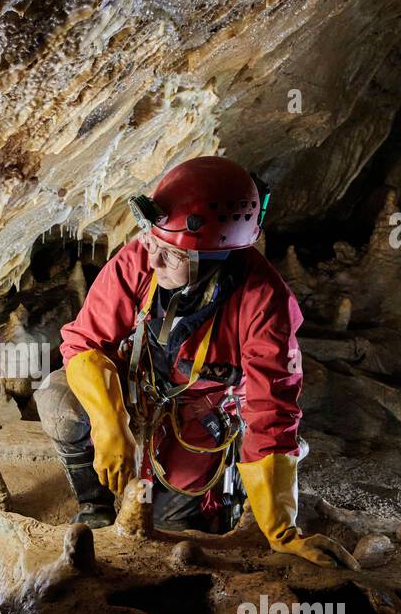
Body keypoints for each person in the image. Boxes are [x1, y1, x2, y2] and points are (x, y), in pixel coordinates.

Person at [34, 156, 358, 570]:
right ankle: (94, 506)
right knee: (60, 403)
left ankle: (232, 491)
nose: (152, 261)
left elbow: (271, 411)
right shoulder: (139, 259)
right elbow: (83, 343)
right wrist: (108, 421)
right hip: (138, 392)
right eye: (151, 243)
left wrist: (282, 532)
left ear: (212, 257)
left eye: (169, 254)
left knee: (174, 532)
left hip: (199, 420)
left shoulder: (263, 302)